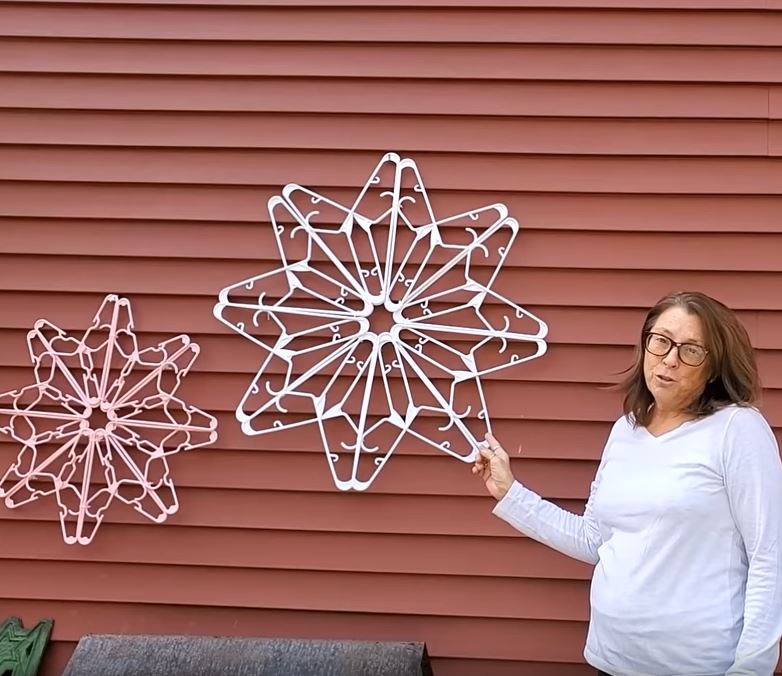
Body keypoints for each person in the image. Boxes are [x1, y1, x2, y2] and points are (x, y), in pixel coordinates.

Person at [473, 291, 782, 676]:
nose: (669, 359)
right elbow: (594, 540)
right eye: (661, 341)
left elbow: (769, 556)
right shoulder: (626, 431)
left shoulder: (738, 430)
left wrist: (752, 669)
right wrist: (510, 493)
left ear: (714, 367)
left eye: (690, 350)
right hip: (611, 660)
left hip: (699, 667)